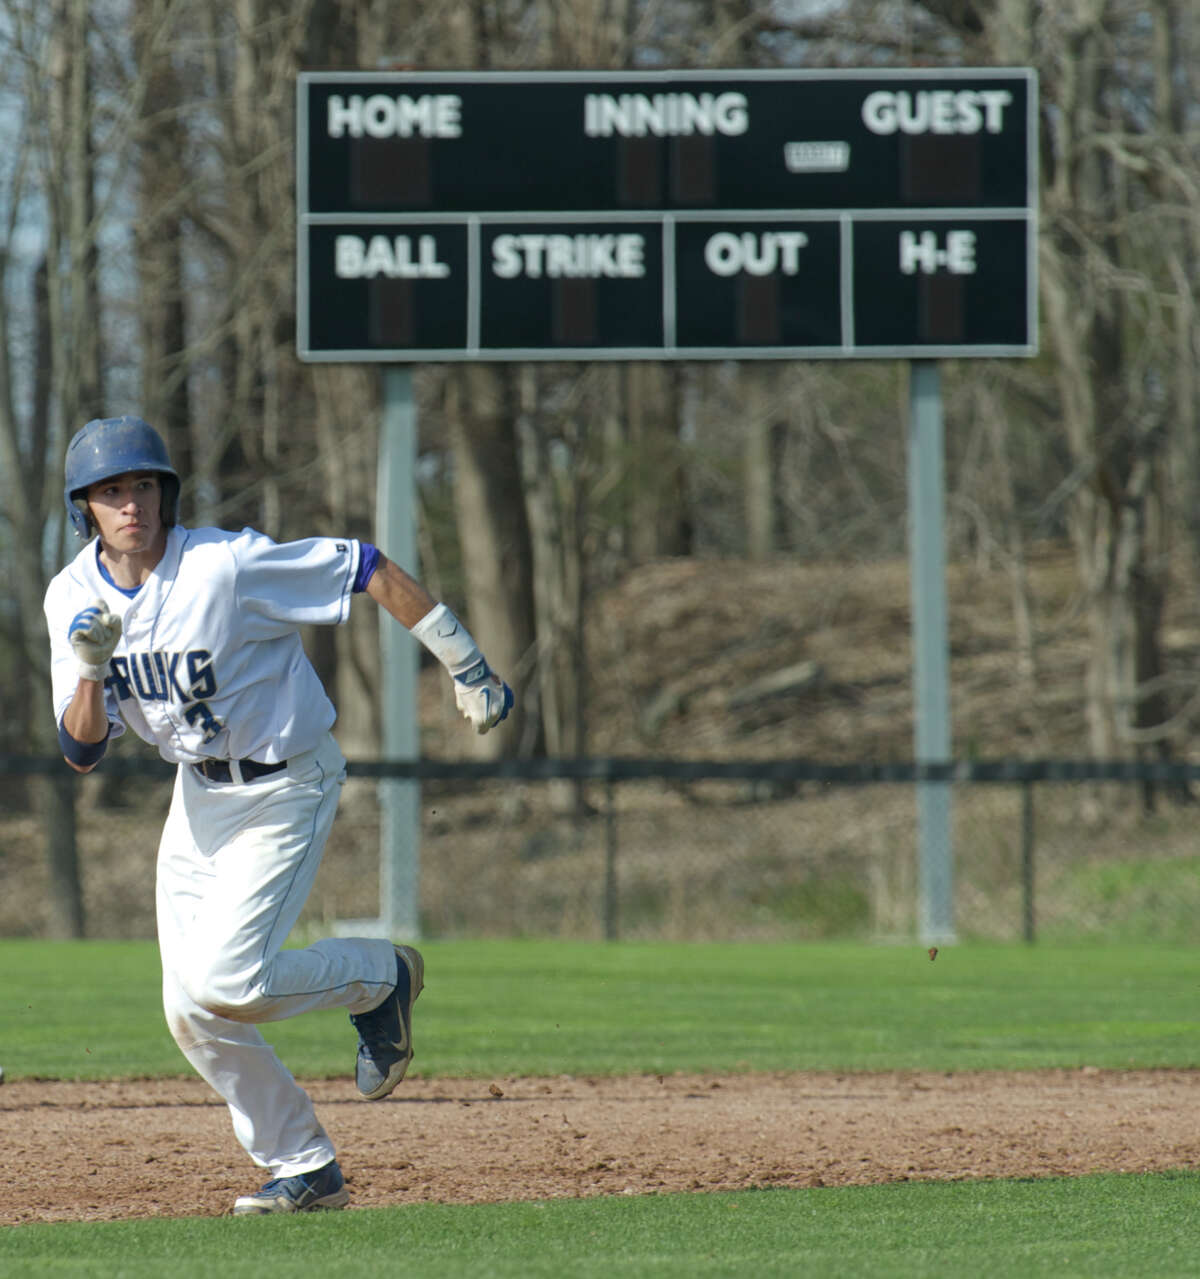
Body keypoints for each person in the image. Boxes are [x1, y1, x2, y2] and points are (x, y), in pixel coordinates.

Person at [42, 415, 513, 1215]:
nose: (133, 504)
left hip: (286, 778)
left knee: (228, 980)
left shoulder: (225, 565)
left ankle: (381, 977)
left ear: (167, 492)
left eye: (145, 484)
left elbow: (363, 565)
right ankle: (307, 1165)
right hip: (199, 795)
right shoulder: (71, 596)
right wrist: (90, 671)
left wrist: (465, 660)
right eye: (112, 491)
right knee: (189, 1009)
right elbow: (81, 751)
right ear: (84, 505)